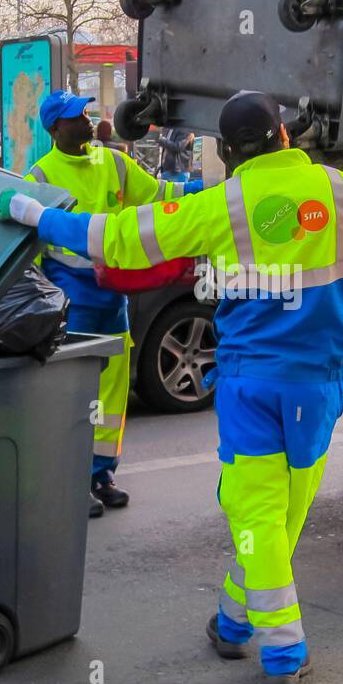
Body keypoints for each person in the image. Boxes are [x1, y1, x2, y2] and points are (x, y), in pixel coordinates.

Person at [0, 91, 343, 684]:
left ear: (229, 153)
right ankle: (234, 623)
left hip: (249, 382)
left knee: (257, 512)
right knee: (284, 515)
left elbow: (120, 237)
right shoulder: (342, 191)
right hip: (322, 381)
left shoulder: (224, 203)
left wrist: (35, 215)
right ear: (285, 138)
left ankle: (283, 648)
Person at [22, 90, 203, 517]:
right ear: (55, 129)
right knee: (74, 394)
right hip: (72, 299)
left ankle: (101, 473)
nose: (87, 121)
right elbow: (31, 258)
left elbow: (159, 194)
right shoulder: (39, 180)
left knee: (112, 392)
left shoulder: (116, 162)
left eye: (85, 113)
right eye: (76, 117)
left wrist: (202, 190)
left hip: (113, 297)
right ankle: (71, 479)